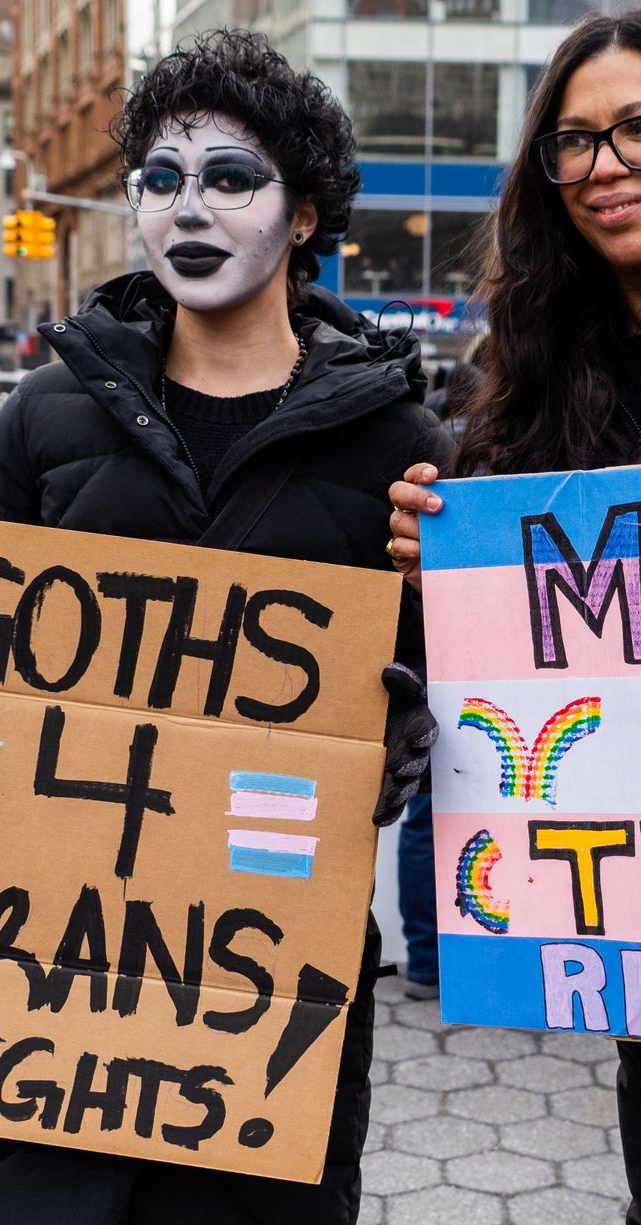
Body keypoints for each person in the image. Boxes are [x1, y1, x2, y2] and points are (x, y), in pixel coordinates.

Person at [0, 30, 451, 1224]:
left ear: (303, 216)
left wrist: (410, 725)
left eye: (230, 178)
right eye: (160, 177)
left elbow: (439, 693)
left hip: (260, 1007)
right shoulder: (38, 424)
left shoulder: (401, 449)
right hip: (31, 1003)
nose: (187, 208)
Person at [387, 12, 641, 1221]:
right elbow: (521, 660)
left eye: (636, 127)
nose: (602, 165)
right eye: (576, 140)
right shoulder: (540, 367)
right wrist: (435, 566)